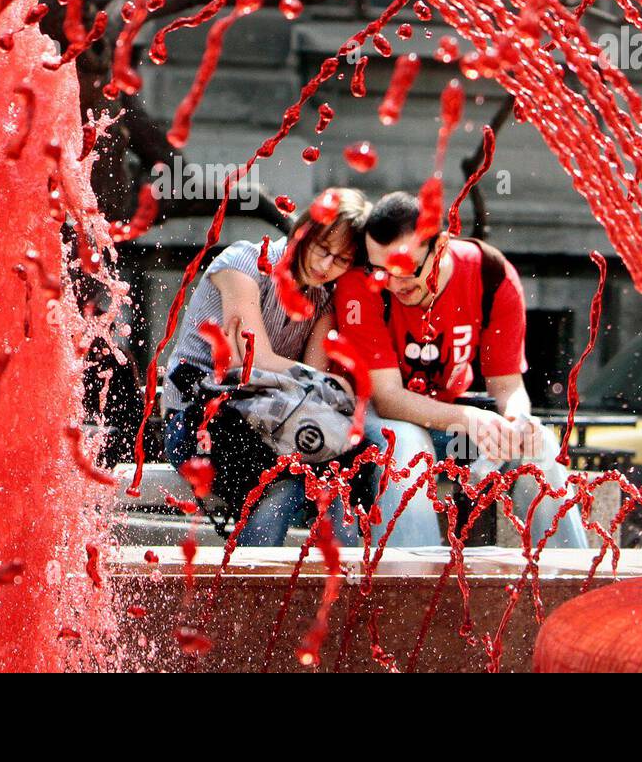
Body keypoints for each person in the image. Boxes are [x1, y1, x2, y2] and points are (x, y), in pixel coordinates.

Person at [333, 191, 588, 549]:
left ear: (440, 246)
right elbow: (388, 400)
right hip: (364, 421)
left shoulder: (490, 273)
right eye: (381, 270)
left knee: (539, 443)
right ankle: (414, 592)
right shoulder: (360, 285)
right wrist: (471, 419)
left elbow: (508, 386)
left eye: (405, 269)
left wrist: (514, 421)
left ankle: (570, 588)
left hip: (446, 419)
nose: (392, 282)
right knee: (408, 445)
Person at [161, 188, 372, 545]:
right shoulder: (243, 262)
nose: (325, 265)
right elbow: (255, 360)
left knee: (346, 474)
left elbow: (311, 393)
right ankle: (252, 592)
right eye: (322, 249)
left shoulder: (322, 301)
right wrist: (317, 380)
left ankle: (342, 591)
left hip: (274, 425)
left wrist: (314, 381)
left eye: (339, 260)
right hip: (202, 419)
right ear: (304, 230)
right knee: (280, 485)